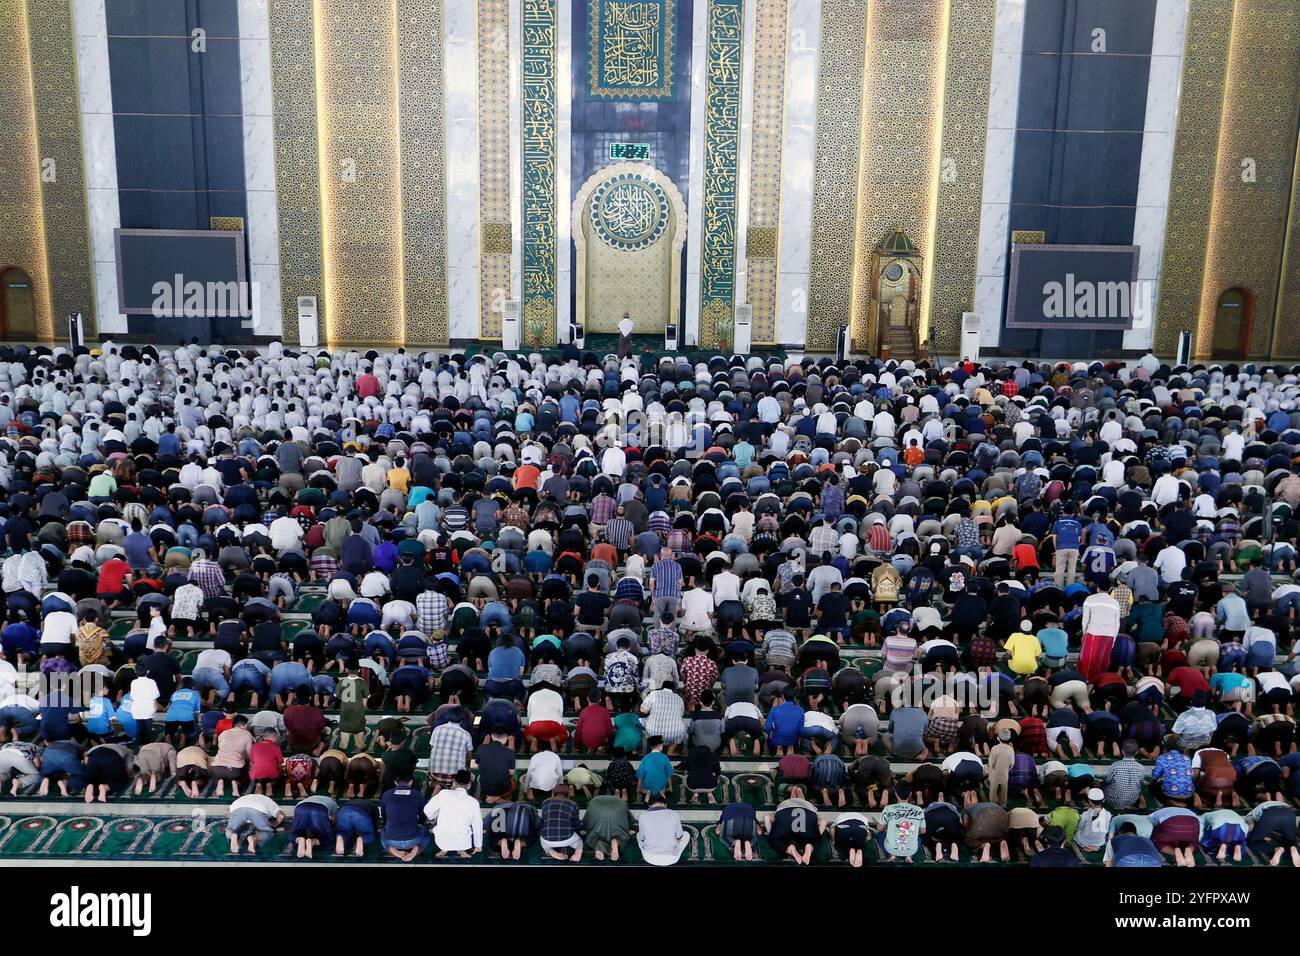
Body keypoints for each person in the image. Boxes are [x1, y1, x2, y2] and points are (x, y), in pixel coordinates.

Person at [424, 768, 483, 859]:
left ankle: (444, 849)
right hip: (464, 842)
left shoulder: (443, 794)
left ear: (454, 783)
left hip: (441, 841)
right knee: (467, 826)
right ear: (469, 786)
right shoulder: (473, 802)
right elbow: (477, 825)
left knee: (439, 824)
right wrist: (478, 845)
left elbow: (427, 810)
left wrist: (434, 816)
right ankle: (461, 850)